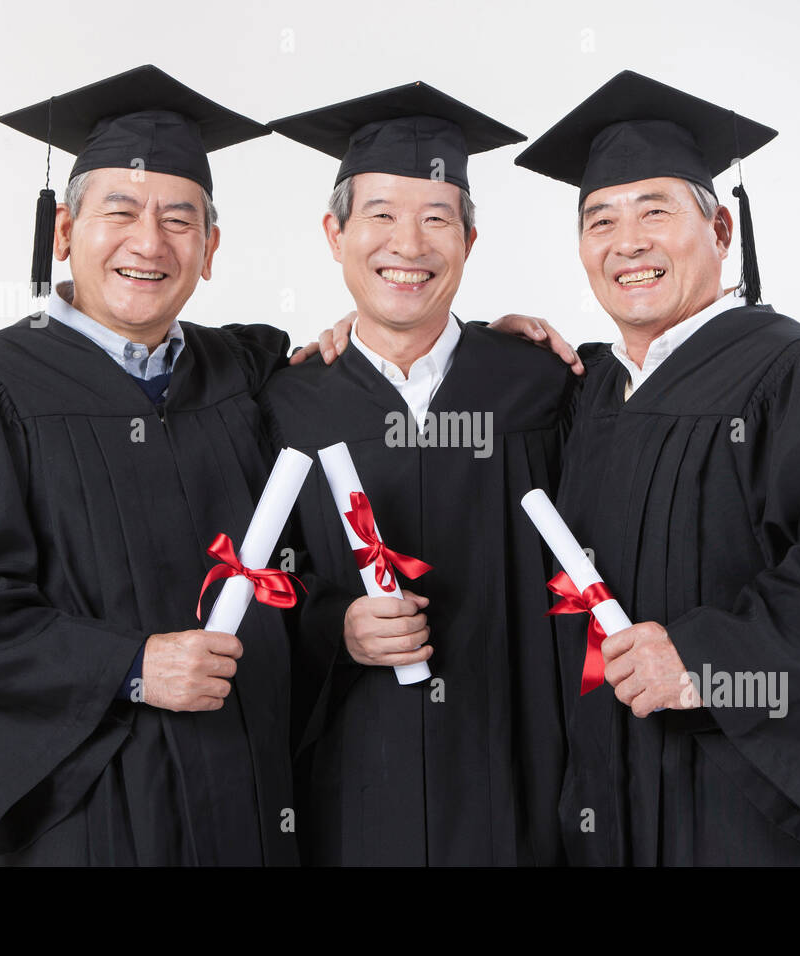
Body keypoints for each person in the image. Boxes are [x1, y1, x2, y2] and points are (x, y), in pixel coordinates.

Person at [0, 66, 304, 865]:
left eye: (180, 219)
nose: (150, 241)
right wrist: (129, 666)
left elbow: (370, 377)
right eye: (121, 211)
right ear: (64, 232)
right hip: (93, 816)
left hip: (248, 807)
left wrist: (503, 343)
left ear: (209, 250)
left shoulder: (243, 372)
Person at [510, 70, 800, 865]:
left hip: (749, 817)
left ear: (719, 232)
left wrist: (709, 664)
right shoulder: (589, 392)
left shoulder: (795, 376)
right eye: (600, 219)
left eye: (655, 211)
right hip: (609, 800)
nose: (627, 241)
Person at [259, 82, 577, 865]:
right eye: (381, 217)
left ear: (469, 241)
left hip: (520, 784)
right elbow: (250, 593)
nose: (409, 245)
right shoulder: (285, 402)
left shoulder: (541, 384)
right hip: (351, 793)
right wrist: (338, 628)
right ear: (334, 235)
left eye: (437, 219)